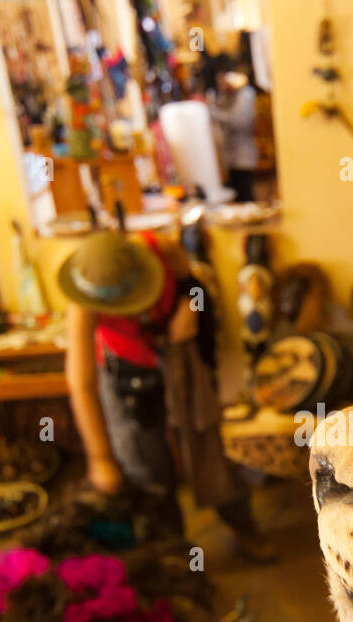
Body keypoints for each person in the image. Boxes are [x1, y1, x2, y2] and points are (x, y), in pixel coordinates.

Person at [61, 230, 276, 564]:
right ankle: (174, 554)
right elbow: (81, 384)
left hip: (177, 356)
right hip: (126, 379)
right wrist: (101, 458)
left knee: (208, 447)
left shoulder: (159, 247)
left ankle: (242, 525)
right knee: (147, 472)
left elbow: (196, 286)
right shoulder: (82, 302)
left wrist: (191, 308)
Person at [210, 63, 257, 202]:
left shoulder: (246, 94)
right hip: (229, 158)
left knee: (245, 196)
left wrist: (215, 112)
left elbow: (238, 121)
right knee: (235, 196)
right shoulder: (227, 96)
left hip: (244, 157)